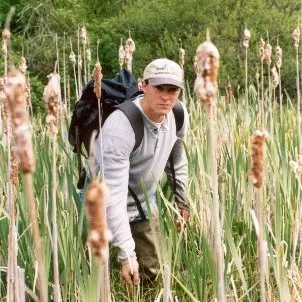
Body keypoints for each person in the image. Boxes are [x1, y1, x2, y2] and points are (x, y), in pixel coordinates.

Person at [94, 58, 190, 285]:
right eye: (159, 88)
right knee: (99, 275)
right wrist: (127, 254)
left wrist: (182, 202)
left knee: (150, 274)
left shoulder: (178, 114)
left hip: (144, 201)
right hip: (101, 201)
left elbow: (177, 161)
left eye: (173, 89)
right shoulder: (121, 126)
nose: (166, 96)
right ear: (143, 85)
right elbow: (113, 196)